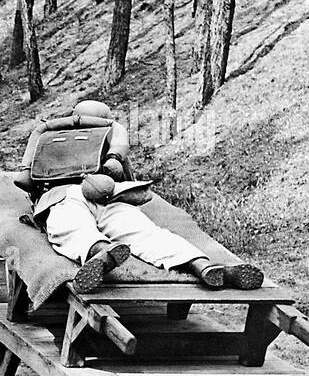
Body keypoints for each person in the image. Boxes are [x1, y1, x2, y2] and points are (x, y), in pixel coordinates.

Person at [19, 99, 264, 293]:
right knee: (147, 234)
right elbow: (127, 179)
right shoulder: (109, 138)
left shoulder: (49, 137)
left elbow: (24, 181)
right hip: (111, 196)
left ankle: (102, 252)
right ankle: (203, 265)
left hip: (62, 197)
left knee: (72, 229)